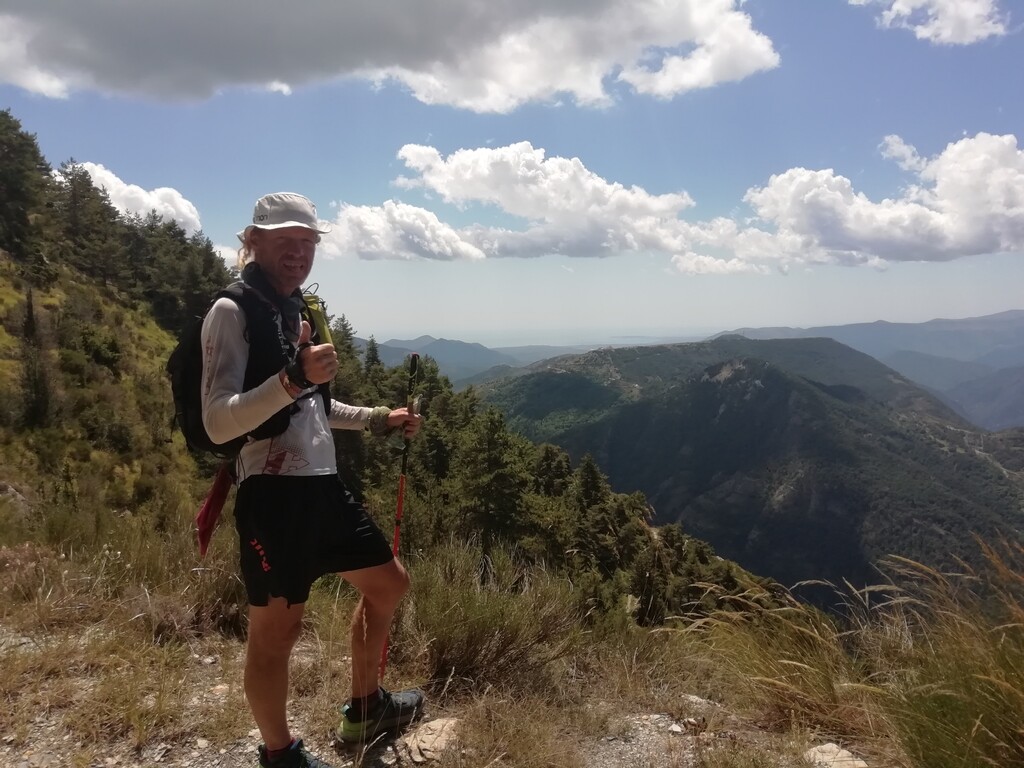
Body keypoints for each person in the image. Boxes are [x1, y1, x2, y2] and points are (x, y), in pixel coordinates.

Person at [201, 192, 424, 768]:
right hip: (272, 494)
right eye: (285, 241)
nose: (298, 252)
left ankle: (366, 708)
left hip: (322, 485)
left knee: (388, 584)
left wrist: (378, 418)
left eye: (307, 242)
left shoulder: (295, 309)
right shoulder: (230, 311)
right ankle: (280, 755)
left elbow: (314, 409)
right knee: (277, 632)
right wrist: (292, 378)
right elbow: (218, 421)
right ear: (254, 241)